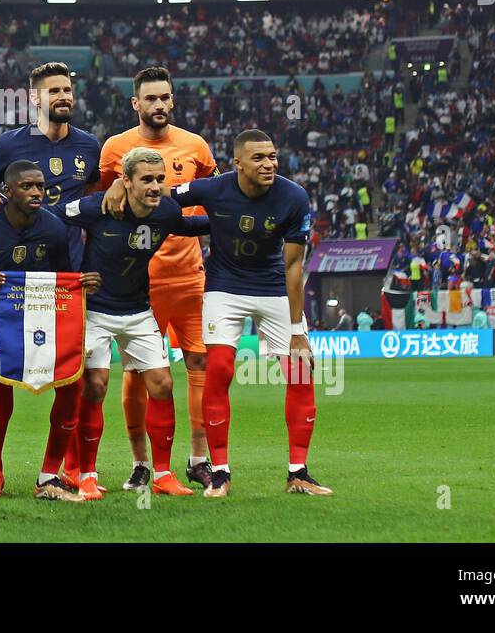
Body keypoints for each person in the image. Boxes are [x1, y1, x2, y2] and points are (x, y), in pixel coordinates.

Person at [118, 128, 331, 498]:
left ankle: (298, 471)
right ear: (238, 163)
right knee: (217, 371)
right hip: (224, 290)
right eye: (259, 158)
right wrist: (119, 188)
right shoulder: (214, 188)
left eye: (272, 156)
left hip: (274, 289)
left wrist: (298, 330)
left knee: (300, 373)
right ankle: (220, 472)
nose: (269, 164)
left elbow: (294, 266)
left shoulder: (293, 197)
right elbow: (162, 193)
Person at [0, 61, 103, 493]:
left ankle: (68, 470)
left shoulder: (89, 147)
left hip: (62, 281)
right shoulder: (8, 146)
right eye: (54, 90)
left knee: (73, 378)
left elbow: (94, 198)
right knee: (2, 375)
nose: (63, 97)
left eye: (68, 90)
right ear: (34, 98)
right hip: (8, 291)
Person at [0, 159, 101, 504]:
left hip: (32, 316)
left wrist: (82, 283)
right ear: (9, 190)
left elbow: (63, 280)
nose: (36, 193)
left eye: (41, 187)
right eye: (28, 187)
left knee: (71, 381)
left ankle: (48, 475)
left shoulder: (54, 227)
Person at [98, 66, 220, 491]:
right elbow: (100, 205)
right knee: (138, 373)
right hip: (137, 283)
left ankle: (199, 459)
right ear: (136, 104)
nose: (160, 105)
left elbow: (215, 200)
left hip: (189, 276)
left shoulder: (196, 147)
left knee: (200, 363)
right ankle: (140, 463)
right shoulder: (115, 148)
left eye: (165, 97)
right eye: (151, 99)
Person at [70, 148, 210, 499]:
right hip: (95, 312)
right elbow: (52, 218)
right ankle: (86, 474)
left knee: (162, 384)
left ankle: (162, 474)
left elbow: (192, 225)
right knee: (95, 386)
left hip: (137, 309)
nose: (155, 186)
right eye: (146, 179)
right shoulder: (97, 207)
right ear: (126, 181)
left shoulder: (166, 211)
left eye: (160, 179)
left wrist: (238, 214)